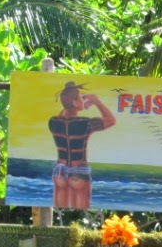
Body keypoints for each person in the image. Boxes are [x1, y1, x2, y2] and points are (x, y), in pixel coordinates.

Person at [49, 81, 116, 209]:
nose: (83, 101)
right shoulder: (85, 123)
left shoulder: (53, 122)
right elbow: (111, 120)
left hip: (60, 174)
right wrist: (96, 101)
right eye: (81, 98)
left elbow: (63, 117)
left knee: (60, 211)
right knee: (80, 214)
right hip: (78, 173)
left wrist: (70, 103)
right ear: (75, 102)